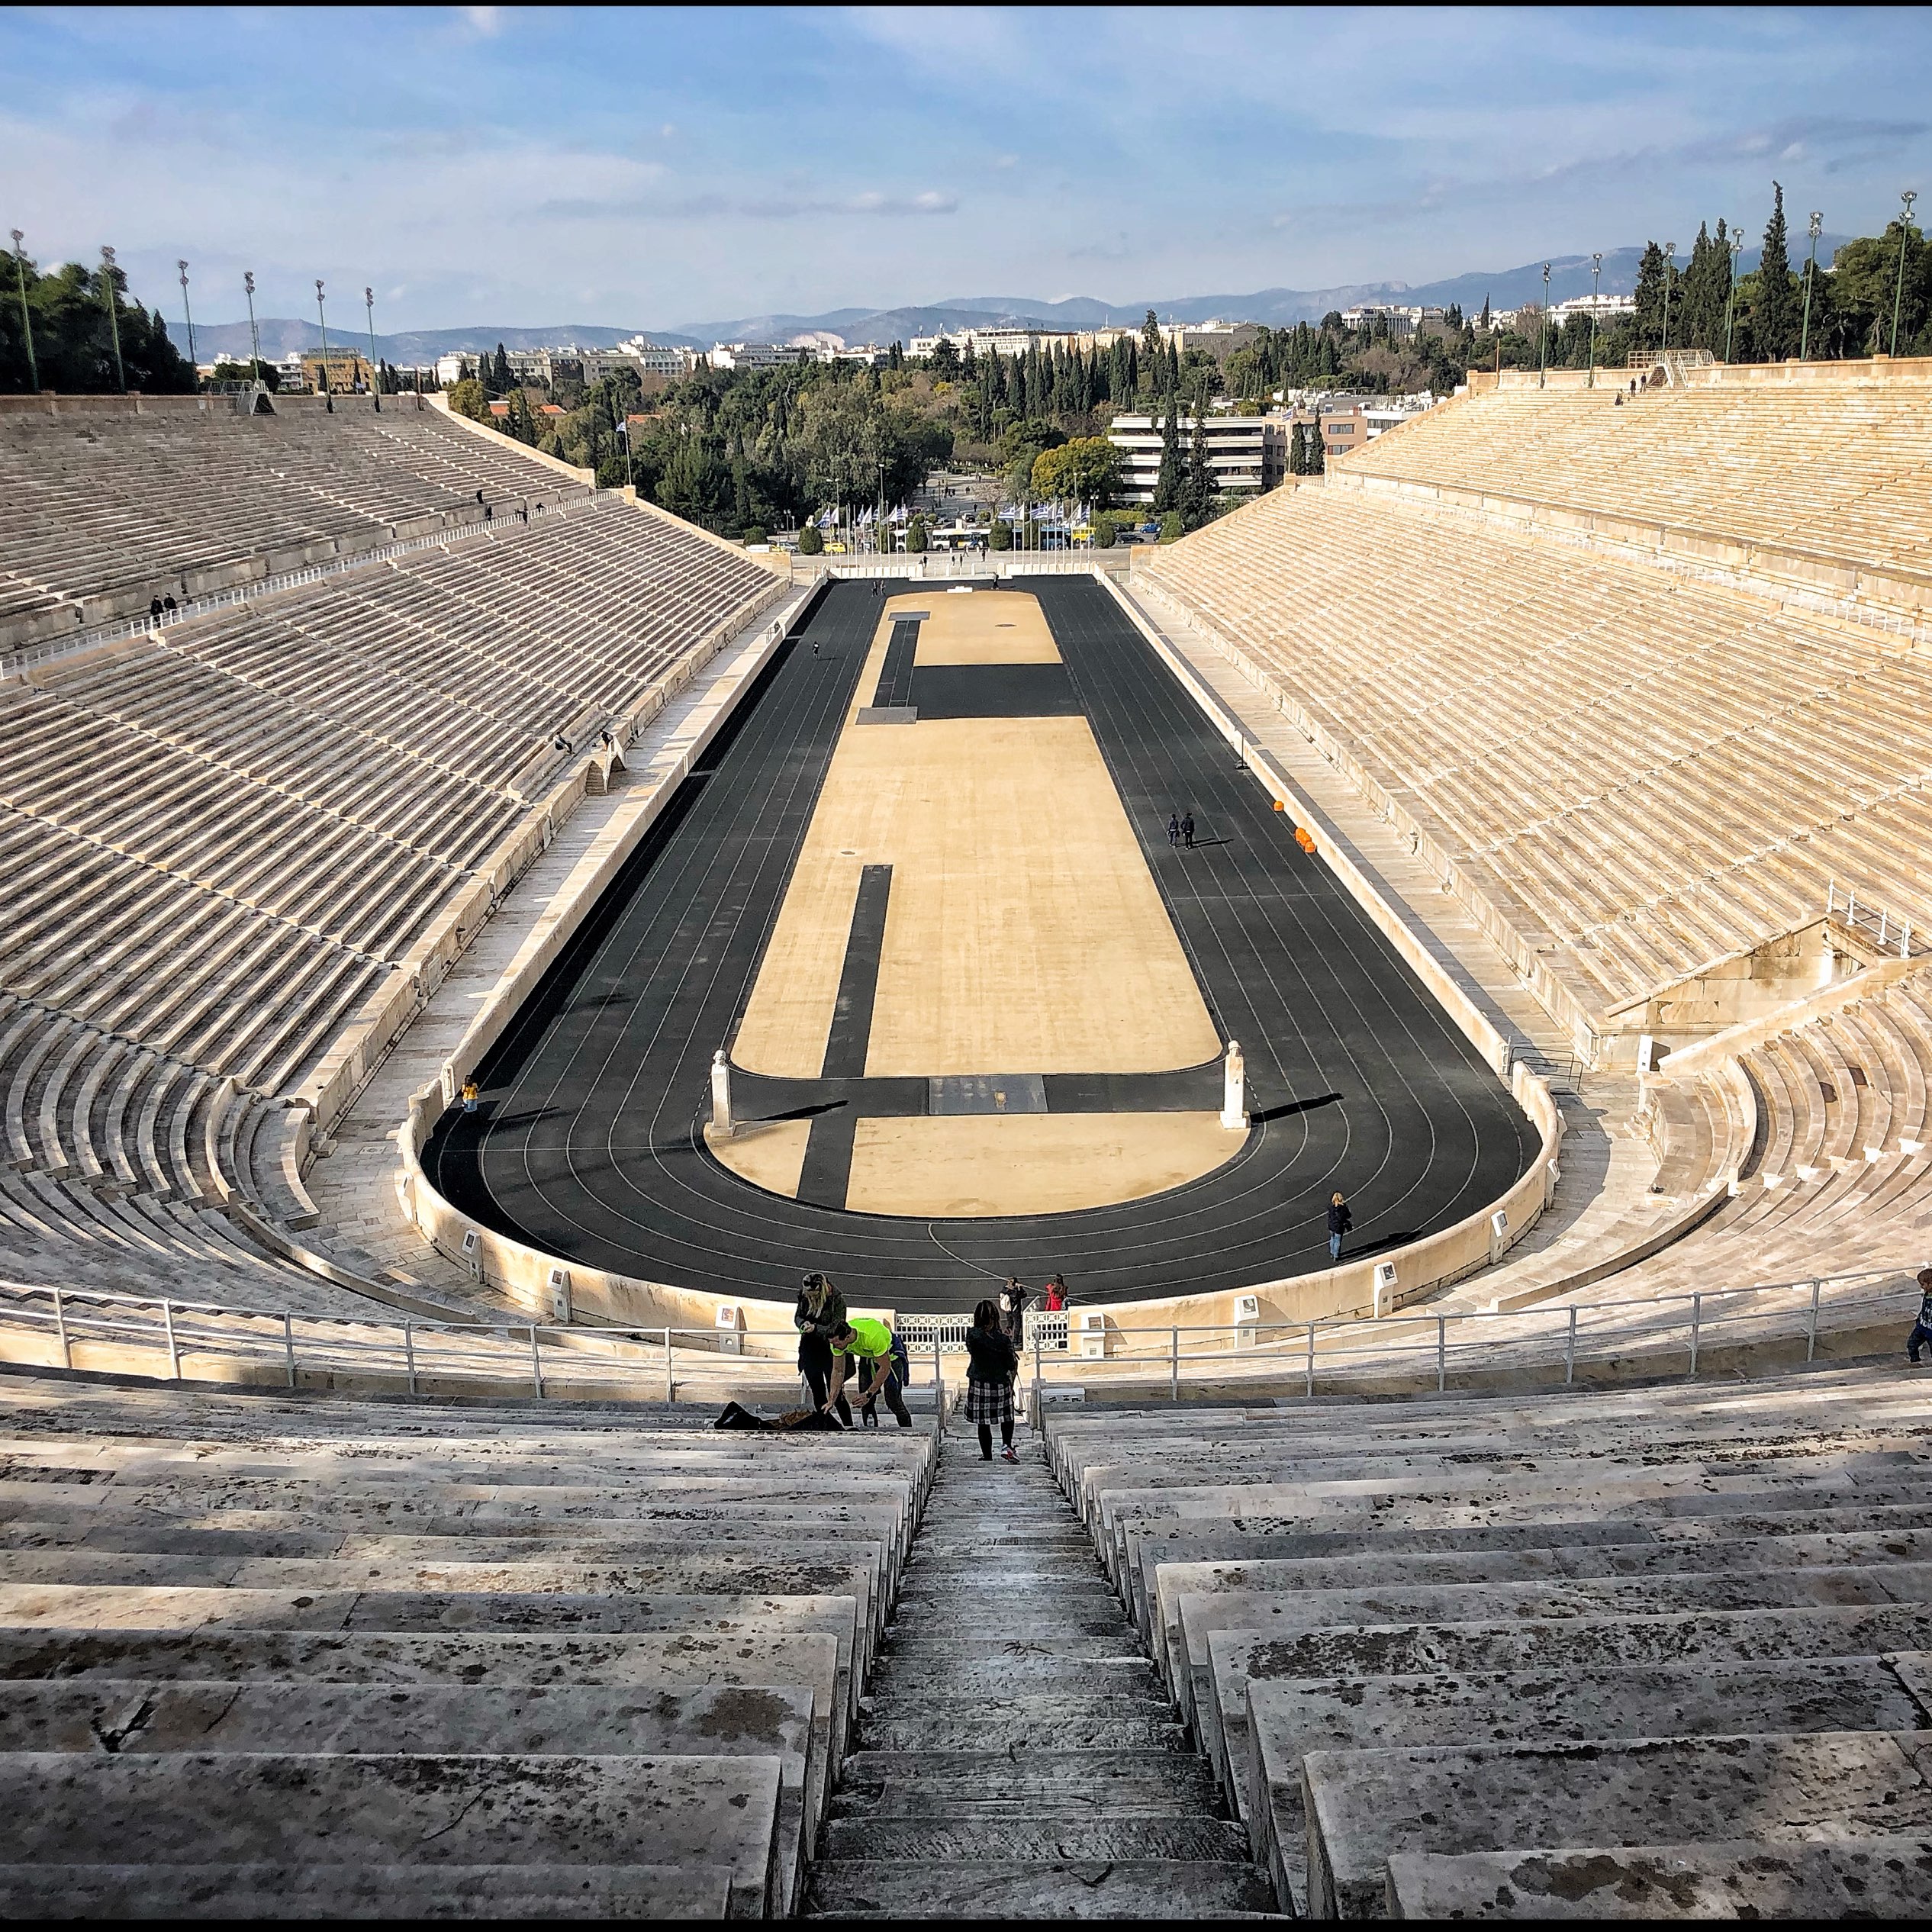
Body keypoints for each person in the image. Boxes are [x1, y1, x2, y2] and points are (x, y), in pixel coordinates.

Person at [826, 1317, 912, 1428]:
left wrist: (869, 1393)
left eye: (836, 1344)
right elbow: (838, 1371)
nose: (834, 1347)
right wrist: (831, 1399)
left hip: (890, 1355)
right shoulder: (837, 1342)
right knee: (864, 1400)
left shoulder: (872, 1337)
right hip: (868, 1354)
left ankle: (910, 1433)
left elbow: (885, 1368)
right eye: (832, 1343)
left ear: (847, 1337)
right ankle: (870, 1432)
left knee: (893, 1400)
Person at [965, 1297, 1019, 1462]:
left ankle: (987, 1456)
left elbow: (973, 1352)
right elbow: (1011, 1363)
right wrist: (1009, 1343)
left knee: (983, 1422)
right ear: (996, 1317)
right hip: (1000, 1383)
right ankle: (1006, 1446)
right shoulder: (1003, 1339)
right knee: (1007, 1417)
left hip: (979, 1382)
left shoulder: (972, 1335)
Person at [794, 1271, 852, 1425]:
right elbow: (798, 1316)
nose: (811, 1298)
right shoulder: (804, 1295)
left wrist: (816, 1328)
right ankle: (824, 1425)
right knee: (817, 1392)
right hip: (810, 1350)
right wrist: (802, 1324)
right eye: (808, 1296)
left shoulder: (837, 1301)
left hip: (830, 1349)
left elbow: (838, 1327)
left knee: (837, 1394)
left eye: (814, 1295)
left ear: (822, 1290)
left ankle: (848, 1426)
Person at [998, 1277, 1031, 1354]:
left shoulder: (1005, 1289)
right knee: (1017, 1325)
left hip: (1008, 1310)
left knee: (1010, 1324)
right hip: (1015, 1310)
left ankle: (1008, 1338)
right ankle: (1015, 1341)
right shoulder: (1014, 1292)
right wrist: (1020, 1288)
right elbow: (1024, 1295)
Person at [1908, 1267, 1932, 1364]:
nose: (1921, 1287)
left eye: (1923, 1284)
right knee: (1911, 1344)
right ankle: (1915, 1362)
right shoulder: (1927, 1294)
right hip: (1921, 1327)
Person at [1327, 1190, 1352, 1262]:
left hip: (1331, 1225)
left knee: (1332, 1238)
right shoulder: (1343, 1208)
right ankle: (1336, 1255)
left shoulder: (1331, 1207)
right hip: (1339, 1226)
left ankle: (1332, 1252)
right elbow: (1349, 1216)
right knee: (1337, 1240)